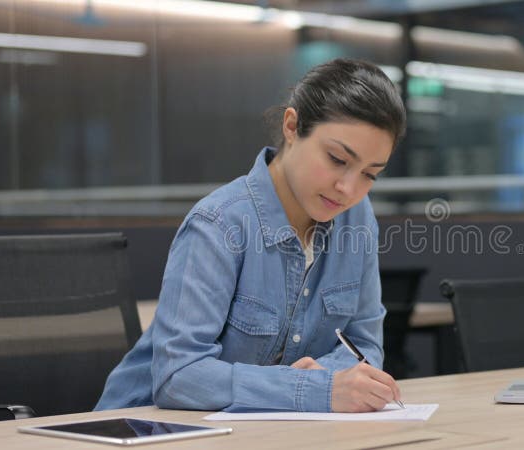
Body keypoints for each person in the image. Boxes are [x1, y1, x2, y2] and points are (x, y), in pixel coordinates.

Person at [95, 58, 406, 413]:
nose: (348, 188)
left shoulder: (357, 221)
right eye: (337, 159)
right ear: (292, 126)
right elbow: (178, 376)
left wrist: (328, 383)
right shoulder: (220, 223)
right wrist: (310, 388)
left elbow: (364, 345)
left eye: (370, 174)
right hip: (145, 429)